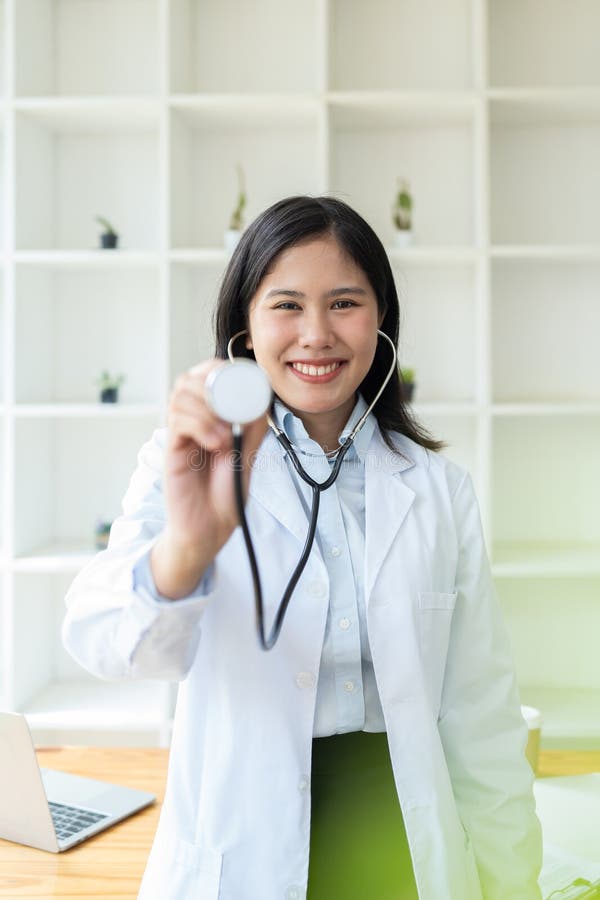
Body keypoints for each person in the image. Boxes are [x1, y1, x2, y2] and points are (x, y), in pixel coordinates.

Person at [62, 196, 543, 900]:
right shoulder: (186, 460)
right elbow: (106, 642)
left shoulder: (439, 490)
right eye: (286, 305)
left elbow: (483, 722)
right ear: (246, 331)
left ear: (381, 321)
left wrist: (513, 885)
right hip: (244, 852)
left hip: (403, 846)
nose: (316, 335)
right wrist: (190, 547)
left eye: (344, 302)